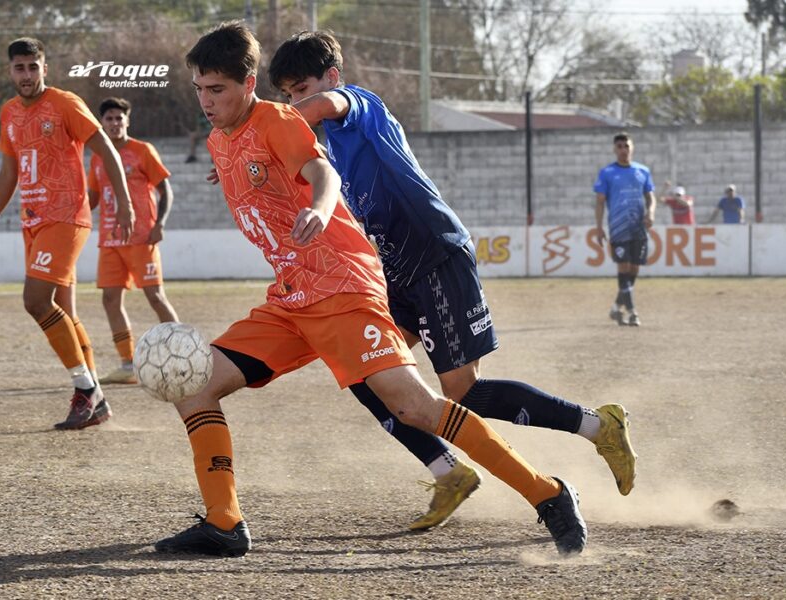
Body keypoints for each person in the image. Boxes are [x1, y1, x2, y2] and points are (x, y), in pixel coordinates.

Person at [154, 21, 587, 559]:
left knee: (416, 407)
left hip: (341, 286)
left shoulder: (280, 119)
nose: (205, 100)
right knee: (193, 387)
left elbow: (320, 171)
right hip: (290, 298)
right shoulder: (222, 140)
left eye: (216, 88)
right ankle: (224, 524)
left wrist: (316, 205)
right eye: (198, 88)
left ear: (247, 84)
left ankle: (548, 494)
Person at [266, 30, 636, 528]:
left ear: (331, 76)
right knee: (364, 372)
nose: (295, 101)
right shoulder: (323, 146)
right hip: (397, 272)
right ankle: (448, 472)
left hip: (437, 253)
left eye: (301, 88)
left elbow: (323, 106)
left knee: (460, 392)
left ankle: (598, 425)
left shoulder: (359, 104)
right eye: (287, 94)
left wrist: (264, 128)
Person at [0, 38, 134, 430]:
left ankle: (85, 389)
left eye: (33, 66)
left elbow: (106, 150)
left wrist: (126, 202)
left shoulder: (65, 103)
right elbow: (9, 171)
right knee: (65, 311)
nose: (26, 74)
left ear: (45, 68)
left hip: (66, 218)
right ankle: (95, 401)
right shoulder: (9, 113)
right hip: (33, 222)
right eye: (20, 68)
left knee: (35, 300)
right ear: (10, 71)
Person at [88, 97, 179, 384]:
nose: (114, 123)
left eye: (119, 118)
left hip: (141, 238)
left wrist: (160, 224)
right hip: (110, 240)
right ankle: (128, 365)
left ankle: (183, 352)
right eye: (109, 119)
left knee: (155, 296)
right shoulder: (97, 156)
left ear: (127, 121)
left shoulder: (142, 151)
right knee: (110, 299)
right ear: (101, 122)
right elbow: (92, 197)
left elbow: (166, 190)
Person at [594, 132, 656, 327]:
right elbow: (600, 202)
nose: (623, 150)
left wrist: (651, 213)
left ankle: (616, 308)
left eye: (626, 146)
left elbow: (651, 197)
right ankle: (631, 311)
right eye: (619, 146)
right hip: (618, 228)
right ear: (614, 149)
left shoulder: (642, 171)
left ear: (632, 147)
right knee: (623, 267)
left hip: (638, 227)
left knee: (634, 269)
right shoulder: (607, 173)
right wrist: (599, 227)